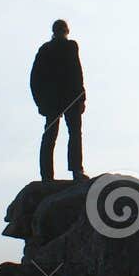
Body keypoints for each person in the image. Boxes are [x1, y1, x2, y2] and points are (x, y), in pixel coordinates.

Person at [30, 19, 86, 181]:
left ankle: (47, 175)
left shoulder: (45, 49)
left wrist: (41, 102)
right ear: (66, 31)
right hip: (69, 98)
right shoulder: (70, 47)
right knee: (73, 134)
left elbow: (34, 79)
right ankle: (76, 171)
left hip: (54, 100)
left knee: (51, 135)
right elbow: (77, 73)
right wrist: (82, 98)